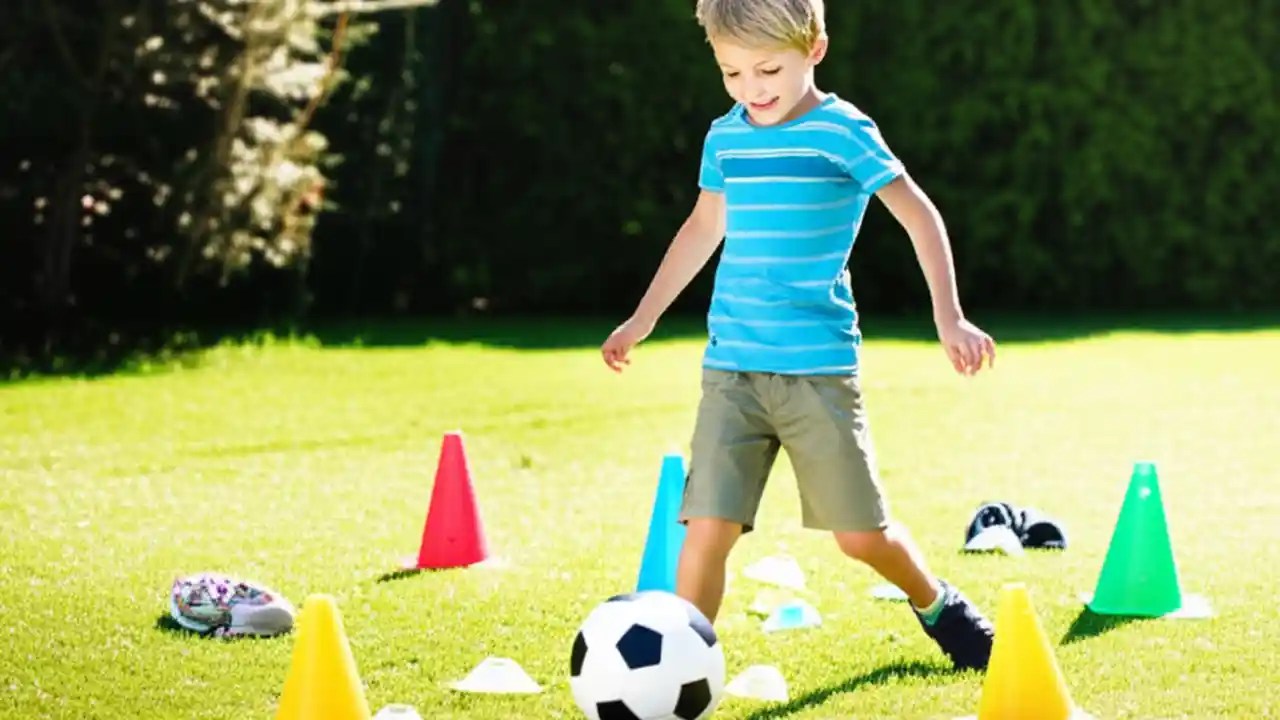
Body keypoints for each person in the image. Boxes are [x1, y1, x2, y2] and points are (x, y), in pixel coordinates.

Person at [599, 0, 997, 671]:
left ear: (814, 49)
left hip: (816, 370)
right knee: (705, 529)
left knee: (860, 538)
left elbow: (918, 214)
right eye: (731, 73)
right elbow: (702, 229)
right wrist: (642, 318)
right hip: (732, 369)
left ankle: (940, 606)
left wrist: (948, 315)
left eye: (766, 70)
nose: (751, 89)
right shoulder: (725, 138)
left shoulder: (842, 132)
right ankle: (678, 672)